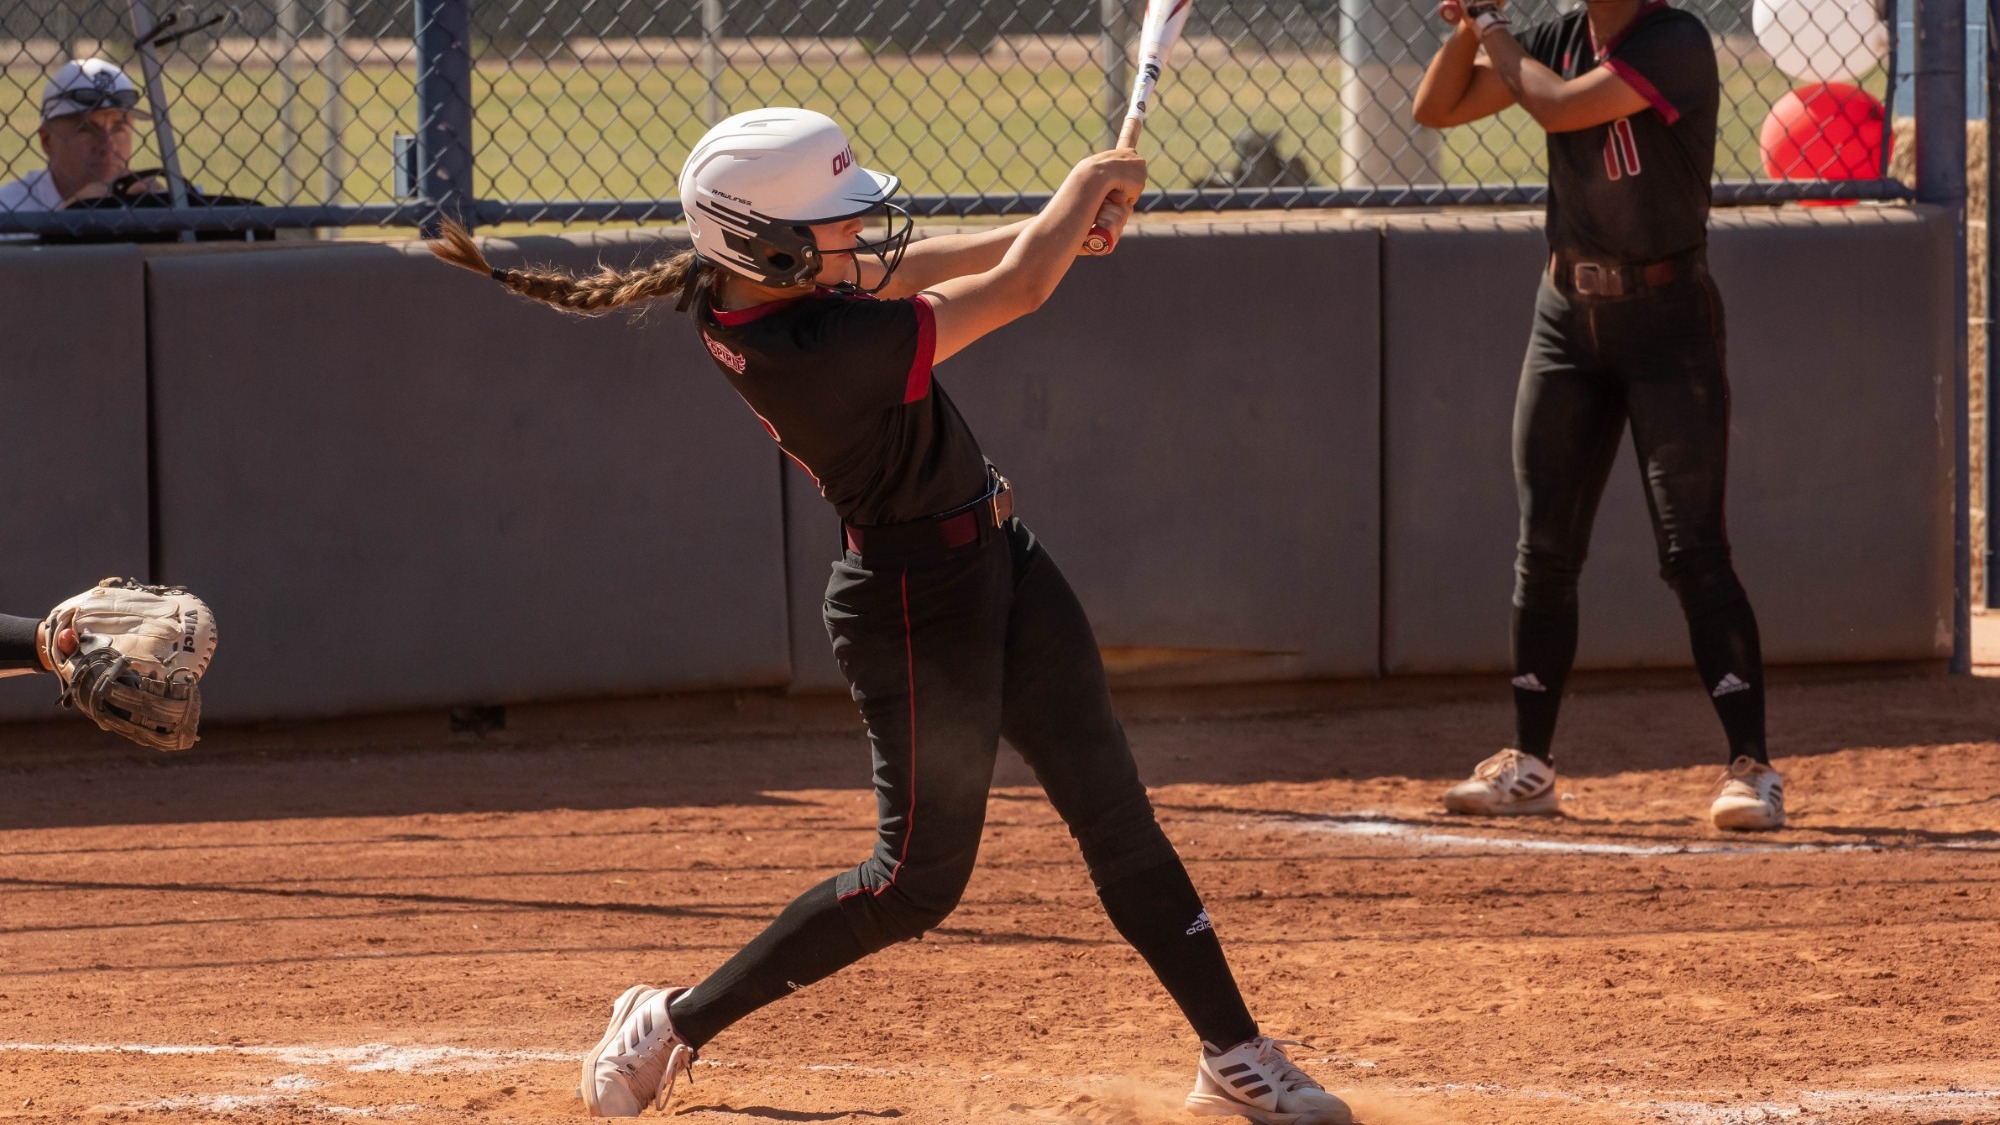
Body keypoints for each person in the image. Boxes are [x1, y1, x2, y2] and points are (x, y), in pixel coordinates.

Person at [430, 107, 1352, 1125]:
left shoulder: (769, 286)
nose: (856, 239)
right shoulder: (807, 348)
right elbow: (1016, 290)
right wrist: (1074, 195)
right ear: (763, 243)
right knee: (911, 884)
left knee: (1113, 812)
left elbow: (934, 267)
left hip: (1000, 562)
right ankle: (671, 1021)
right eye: (833, 225)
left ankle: (1232, 1053)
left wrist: (1061, 220)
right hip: (916, 610)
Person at [1410, 0, 1784, 831]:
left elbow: (1558, 105)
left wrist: (1493, 24)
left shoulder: (1674, 40)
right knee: (1543, 548)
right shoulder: (1554, 38)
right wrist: (1473, 23)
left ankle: (1751, 767)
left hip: (1667, 323)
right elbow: (1435, 108)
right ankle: (1531, 764)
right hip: (1565, 320)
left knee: (1693, 553)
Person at [0, 59, 160, 218]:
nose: (108, 146)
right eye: (87, 129)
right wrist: (69, 217)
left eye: (118, 127)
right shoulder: (8, 208)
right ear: (47, 141)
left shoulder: (150, 202)